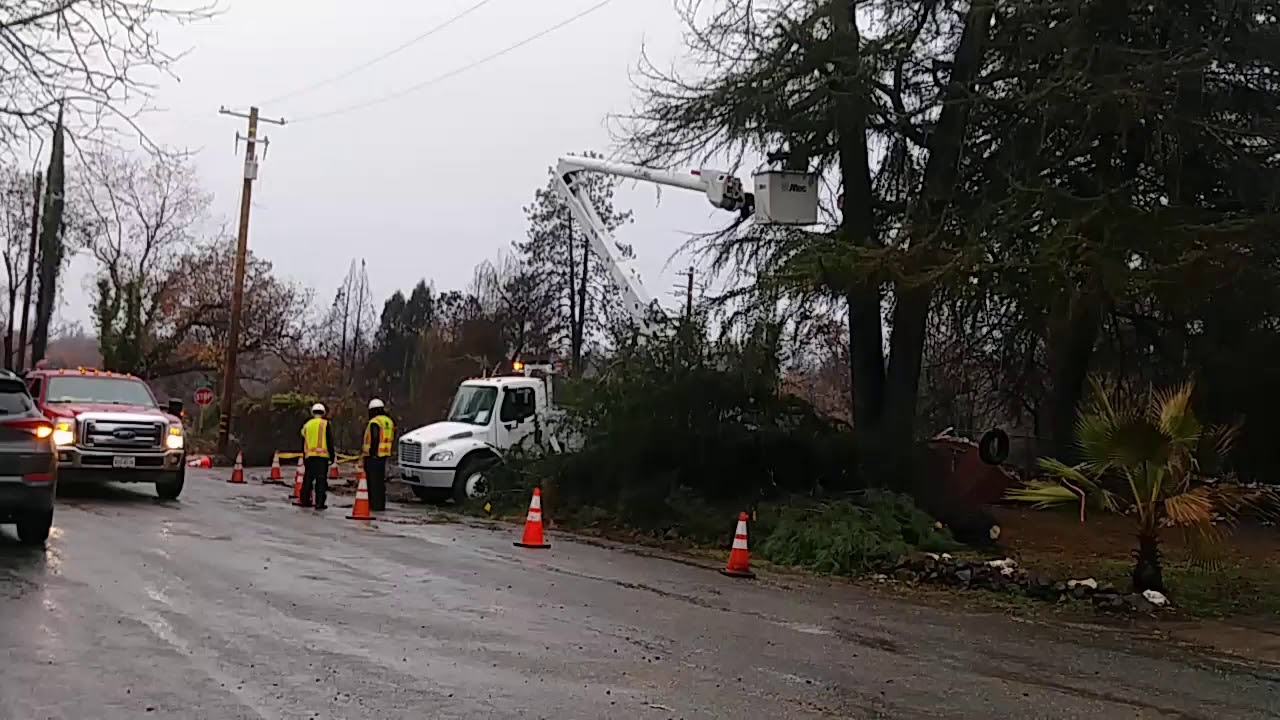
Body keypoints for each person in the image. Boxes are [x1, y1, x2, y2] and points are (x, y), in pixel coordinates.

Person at [300, 402, 336, 510]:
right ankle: (319, 503)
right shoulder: (325, 424)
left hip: (309, 456)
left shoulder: (307, 425)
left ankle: (305, 500)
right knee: (321, 480)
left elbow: (304, 440)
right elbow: (329, 441)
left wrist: (304, 456)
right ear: (323, 413)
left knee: (308, 479)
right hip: (322, 457)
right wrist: (332, 456)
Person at [362, 398, 395, 512]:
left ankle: (374, 504)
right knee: (380, 482)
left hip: (374, 456)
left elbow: (375, 438)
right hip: (384, 455)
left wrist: (371, 452)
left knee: (373, 482)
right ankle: (380, 504)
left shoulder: (375, 422)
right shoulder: (388, 421)